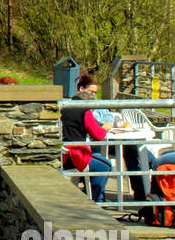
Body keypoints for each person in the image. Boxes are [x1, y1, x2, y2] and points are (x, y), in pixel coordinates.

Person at [61, 73, 146, 203]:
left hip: (64, 153)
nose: (94, 97)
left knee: (101, 156)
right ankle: (96, 198)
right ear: (82, 91)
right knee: (105, 165)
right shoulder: (85, 111)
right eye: (92, 93)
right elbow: (99, 136)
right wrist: (105, 127)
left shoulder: (65, 107)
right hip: (75, 155)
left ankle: (92, 194)